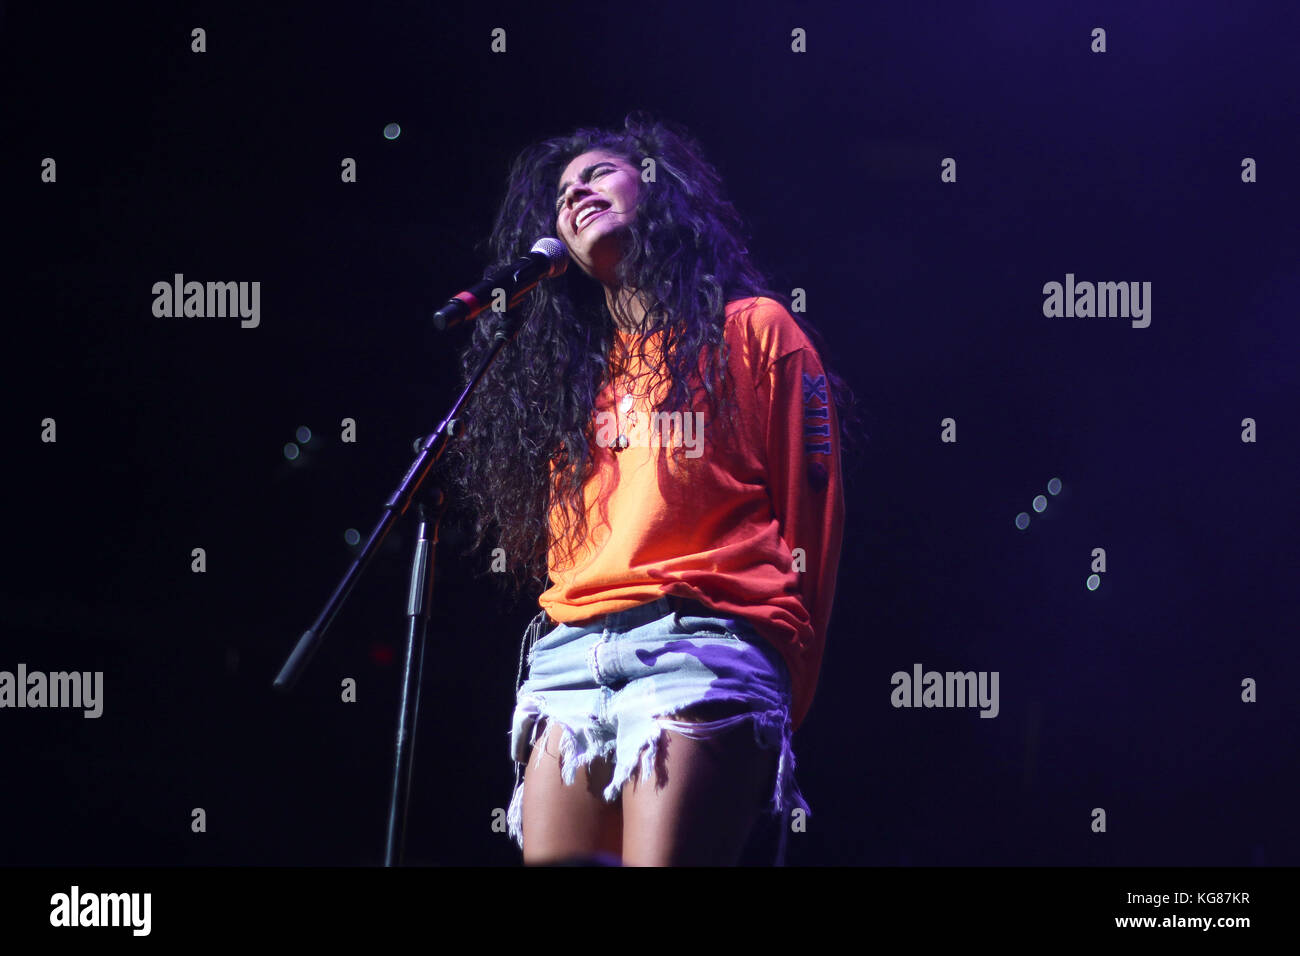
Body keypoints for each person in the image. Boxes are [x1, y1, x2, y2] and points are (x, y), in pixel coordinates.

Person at [440, 112, 859, 866]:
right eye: (563, 193)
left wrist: (785, 682)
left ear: (661, 191)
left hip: (698, 648)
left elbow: (813, 524)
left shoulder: (756, 329)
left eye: (597, 175)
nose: (575, 196)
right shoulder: (562, 382)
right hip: (567, 660)